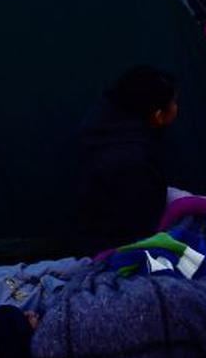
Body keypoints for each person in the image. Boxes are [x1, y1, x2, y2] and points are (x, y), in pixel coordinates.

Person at [74, 65, 179, 255]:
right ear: (158, 115)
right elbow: (139, 228)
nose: (176, 108)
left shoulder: (102, 131)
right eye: (173, 103)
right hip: (113, 248)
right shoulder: (132, 160)